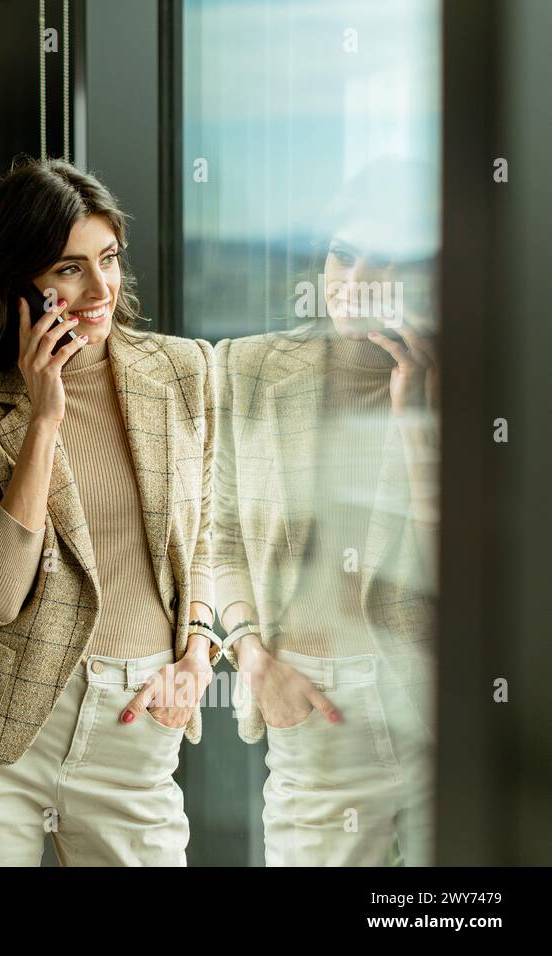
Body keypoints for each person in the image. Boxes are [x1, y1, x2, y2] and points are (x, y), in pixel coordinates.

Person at [0, 157, 218, 866]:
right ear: (23, 279)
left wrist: (199, 654)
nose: (98, 289)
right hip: (1, 730)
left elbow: (211, 531)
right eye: (68, 269)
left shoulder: (183, 372)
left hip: (133, 721)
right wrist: (45, 422)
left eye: (107, 259)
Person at [212, 158, 439, 865]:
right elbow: (214, 536)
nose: (356, 278)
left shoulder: (482, 378)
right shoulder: (248, 370)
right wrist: (250, 655)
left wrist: (418, 425)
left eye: (388, 259)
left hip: (444, 708)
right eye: (344, 252)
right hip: (319, 707)